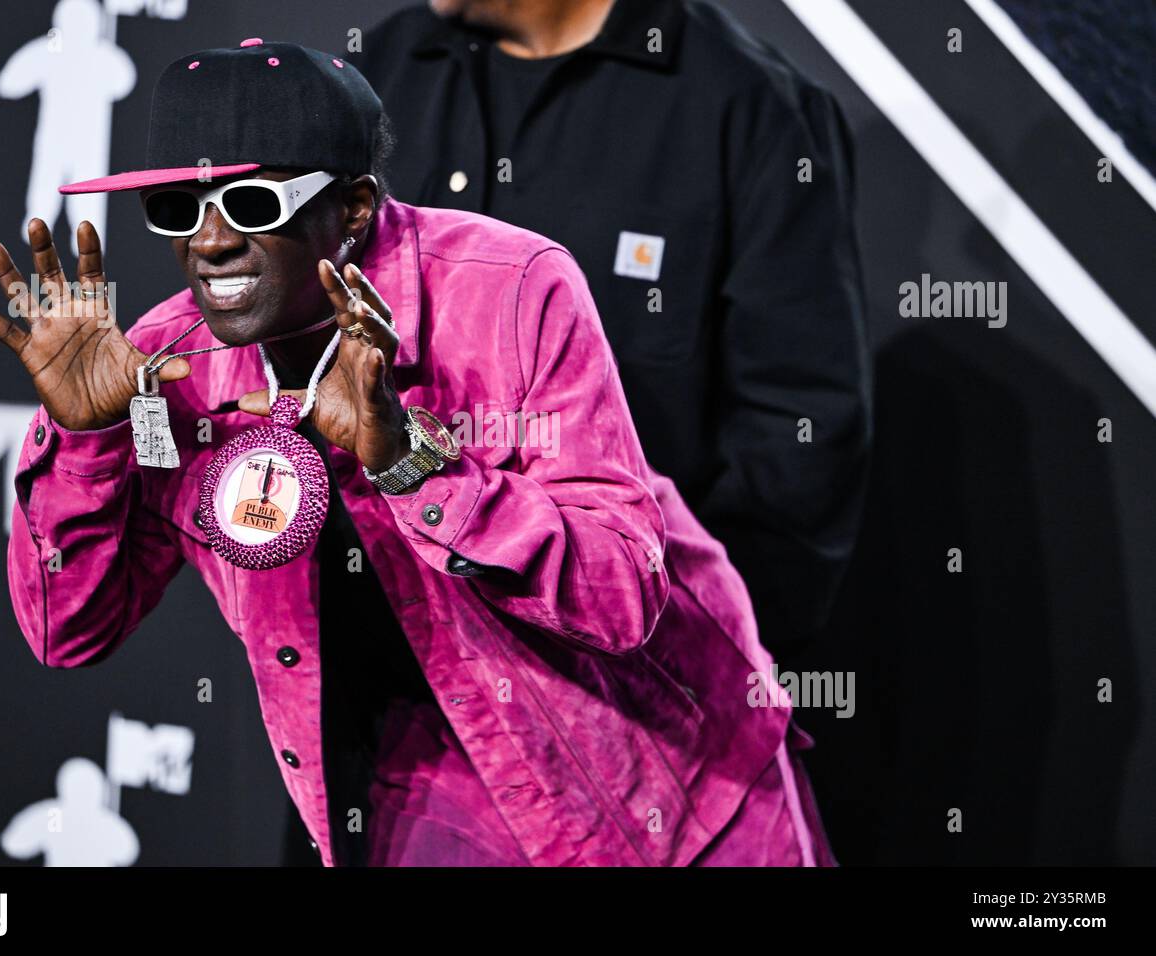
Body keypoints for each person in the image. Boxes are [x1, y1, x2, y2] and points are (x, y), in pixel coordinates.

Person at [0, 37, 834, 866]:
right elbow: (68, 633)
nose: (210, 242)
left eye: (252, 203)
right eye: (179, 209)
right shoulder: (164, 371)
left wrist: (409, 463)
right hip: (420, 808)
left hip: (674, 788)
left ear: (351, 209)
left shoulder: (514, 290)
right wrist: (88, 443)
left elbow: (621, 596)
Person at [349, 0, 871, 656]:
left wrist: (691, 650)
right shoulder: (371, 75)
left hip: (623, 680)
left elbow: (800, 430)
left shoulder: (750, 108)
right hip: (390, 664)